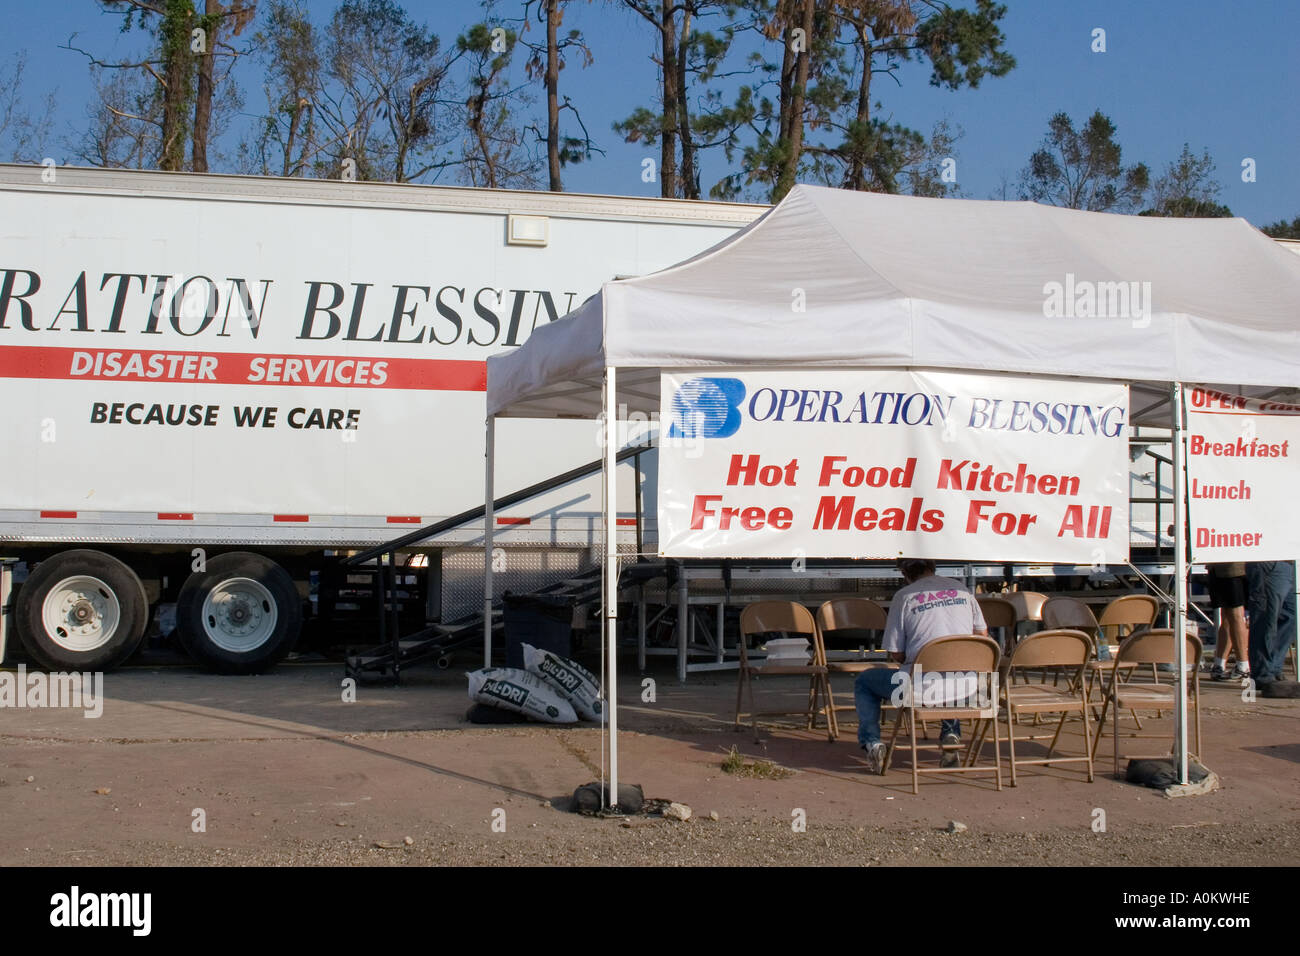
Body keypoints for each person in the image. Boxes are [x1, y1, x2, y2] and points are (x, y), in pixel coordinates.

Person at [854, 558, 987, 774]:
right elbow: (982, 636)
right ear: (933, 566)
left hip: (920, 691)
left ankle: (872, 743)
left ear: (904, 572)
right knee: (950, 667)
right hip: (973, 691)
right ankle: (951, 733)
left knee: (865, 681)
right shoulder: (962, 589)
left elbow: (896, 653)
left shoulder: (904, 597)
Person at [1245, 561, 1296, 687]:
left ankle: (1272, 667)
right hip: (1270, 562)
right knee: (1265, 621)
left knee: (1293, 616)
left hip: (1289, 563)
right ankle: (1263, 673)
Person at [1206, 562, 1249, 681]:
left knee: (1235, 615)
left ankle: (1243, 666)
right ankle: (1219, 664)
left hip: (1231, 569)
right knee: (1228, 615)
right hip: (1225, 568)